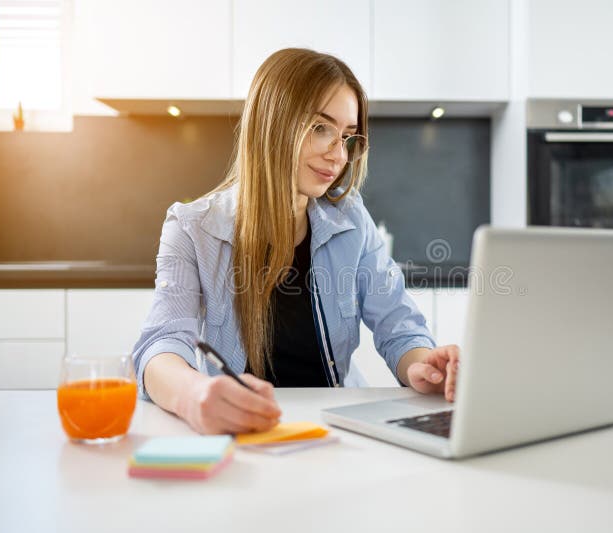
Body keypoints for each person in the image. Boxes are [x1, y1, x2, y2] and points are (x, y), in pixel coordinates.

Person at [132, 48, 460, 435]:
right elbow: (161, 346)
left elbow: (399, 326)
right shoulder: (192, 228)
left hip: (335, 429)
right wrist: (193, 395)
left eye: (347, 137)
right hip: (242, 429)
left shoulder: (352, 220)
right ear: (273, 122)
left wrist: (422, 365)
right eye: (320, 128)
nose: (338, 154)